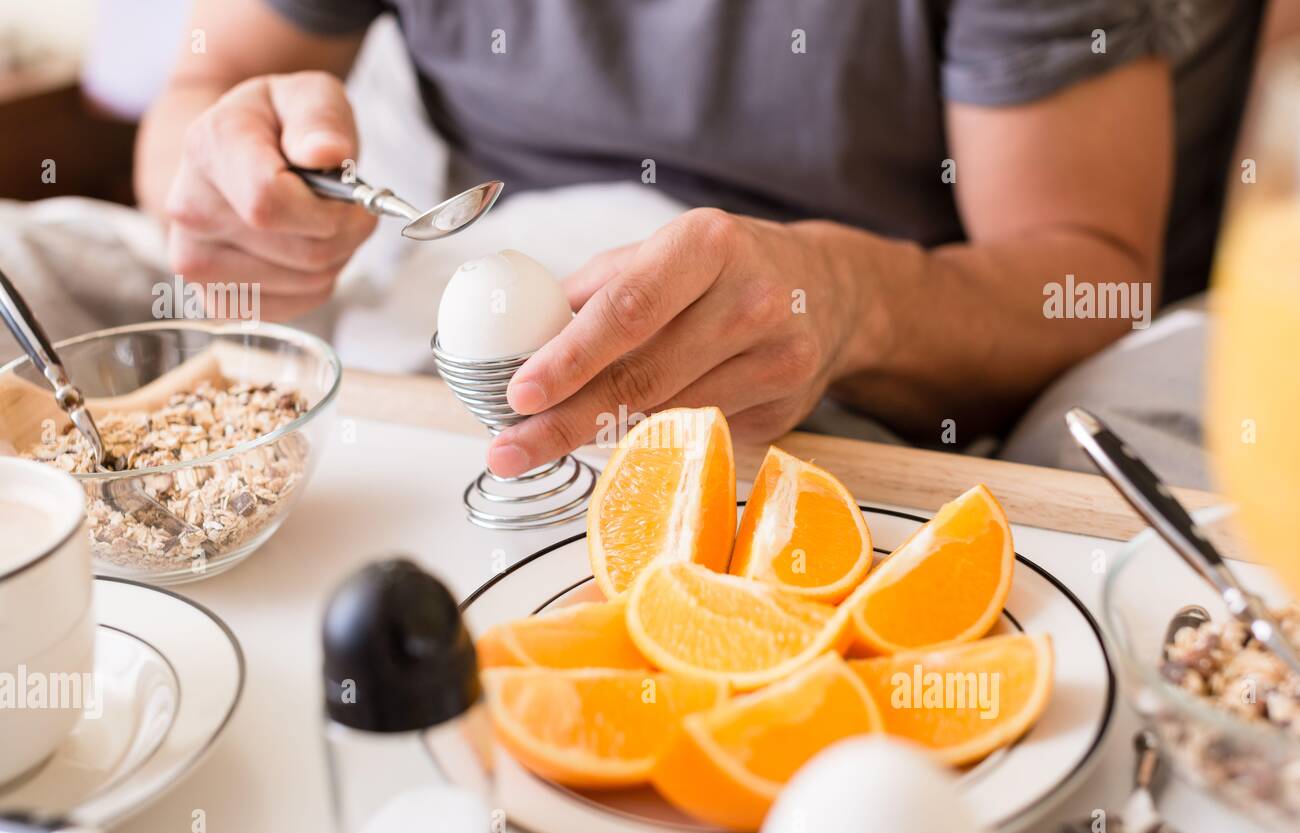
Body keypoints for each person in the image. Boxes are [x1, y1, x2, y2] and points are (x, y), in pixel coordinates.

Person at [135, 0, 1261, 485]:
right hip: (441, 332)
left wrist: (844, 297)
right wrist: (230, 189)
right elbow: (198, 81)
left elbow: (1090, 279)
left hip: (849, 383)